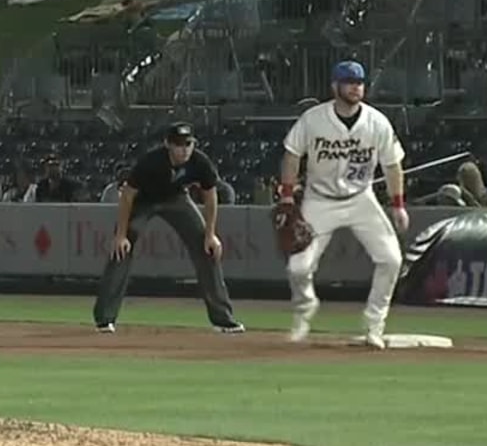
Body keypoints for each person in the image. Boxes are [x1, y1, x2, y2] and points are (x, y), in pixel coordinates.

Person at [277, 61, 409, 349]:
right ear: (334, 86)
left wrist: (397, 203)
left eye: (359, 82)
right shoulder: (313, 119)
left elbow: (392, 164)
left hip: (362, 198)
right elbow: (291, 154)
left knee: (391, 259)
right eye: (349, 82)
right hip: (319, 200)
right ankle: (305, 308)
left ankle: (375, 325)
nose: (356, 87)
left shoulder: (376, 121)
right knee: (298, 268)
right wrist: (287, 196)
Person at [93, 123, 245, 334]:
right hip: (143, 201)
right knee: (121, 249)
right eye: (179, 145)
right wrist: (120, 234)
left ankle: (222, 319)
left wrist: (211, 234)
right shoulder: (151, 162)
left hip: (176, 198)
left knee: (206, 248)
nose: (184, 149)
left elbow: (210, 195)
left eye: (189, 144)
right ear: (168, 145)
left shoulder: (200, 162)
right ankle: (104, 318)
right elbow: (128, 195)